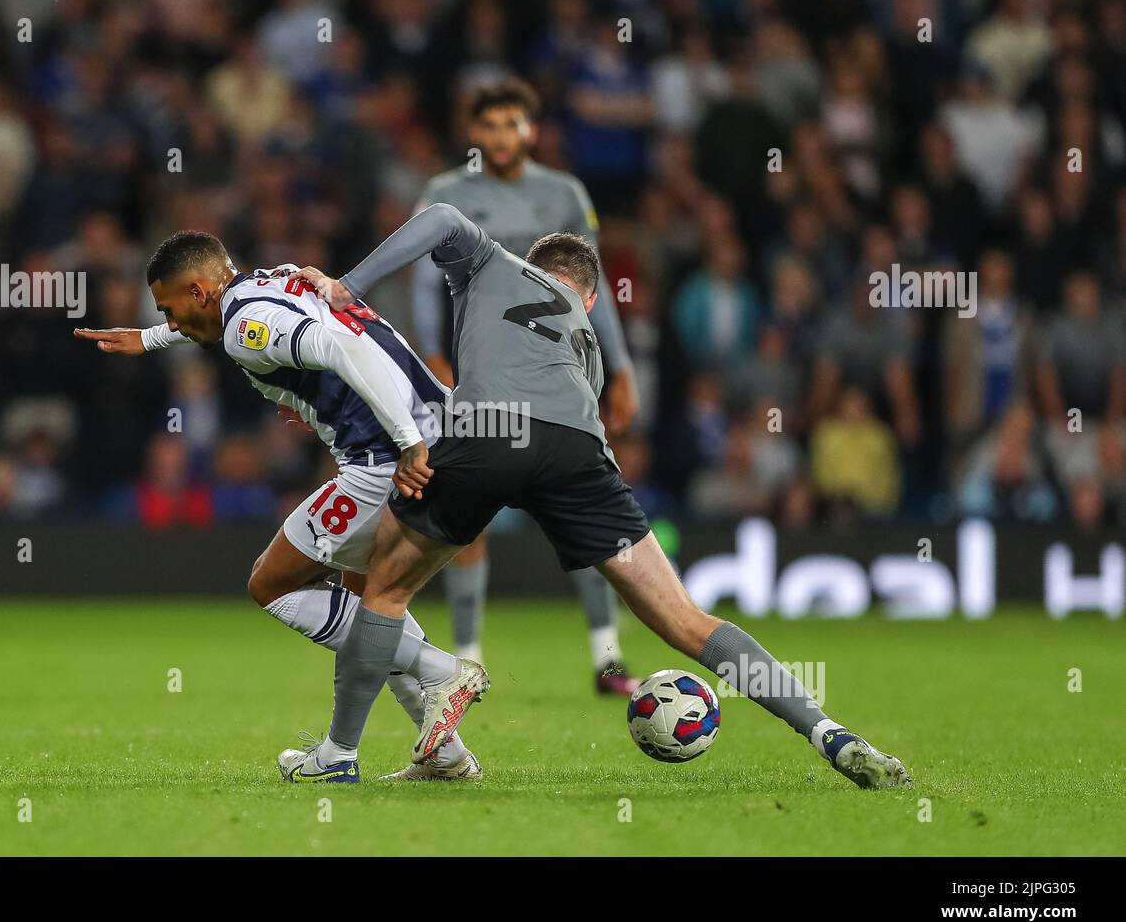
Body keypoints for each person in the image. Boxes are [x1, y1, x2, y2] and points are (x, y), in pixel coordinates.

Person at [284, 204, 911, 790]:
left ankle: (338, 756)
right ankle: (830, 734)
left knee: (385, 590)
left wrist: (347, 284)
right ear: (587, 296)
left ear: (537, 267)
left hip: (488, 433)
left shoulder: (493, 263)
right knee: (688, 622)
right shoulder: (587, 344)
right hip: (578, 452)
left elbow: (442, 218)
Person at [74, 231, 486, 782]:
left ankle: (440, 671)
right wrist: (147, 339)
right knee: (373, 600)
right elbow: (246, 322)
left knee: (273, 583)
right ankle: (432, 755)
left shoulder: (247, 331)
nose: (169, 323)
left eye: (168, 310)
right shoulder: (276, 278)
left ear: (198, 290)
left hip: (389, 464)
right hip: (448, 439)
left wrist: (409, 440)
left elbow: (345, 348)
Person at [410, 78, 640, 694]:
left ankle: (607, 657)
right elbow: (427, 285)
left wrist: (620, 367)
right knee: (470, 516)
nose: (501, 137)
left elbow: (593, 293)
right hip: (480, 374)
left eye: (512, 124)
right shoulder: (445, 194)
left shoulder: (563, 193)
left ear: (530, 130)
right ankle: (467, 658)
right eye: (489, 125)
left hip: (559, 374)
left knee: (582, 505)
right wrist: (434, 351)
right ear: (473, 133)